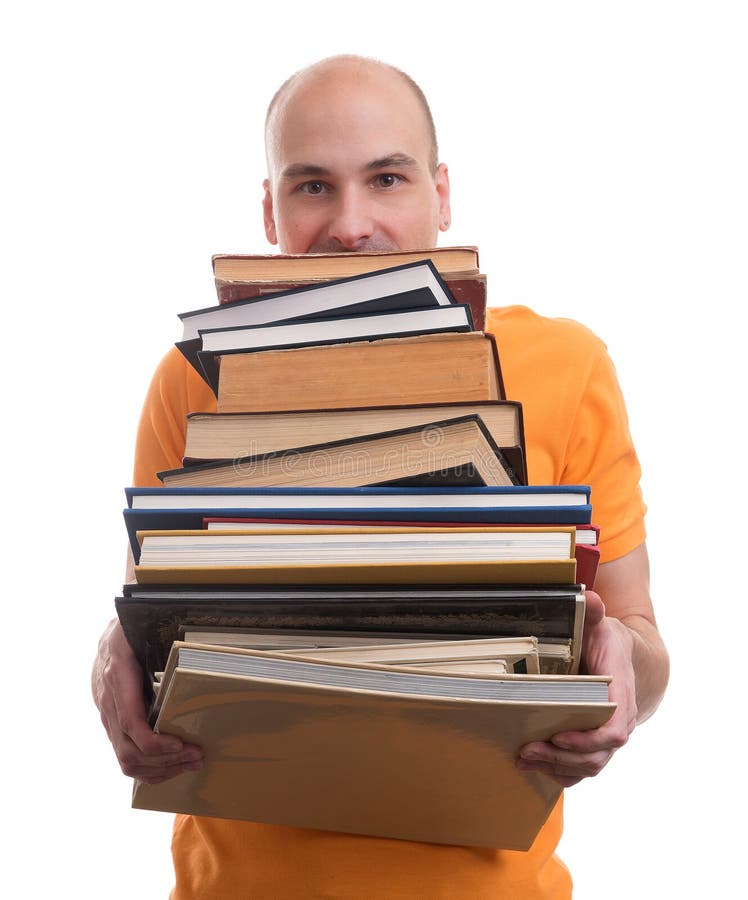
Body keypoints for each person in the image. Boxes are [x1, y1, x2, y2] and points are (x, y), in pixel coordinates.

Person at [92, 54, 669, 898]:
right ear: (270, 209)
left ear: (442, 194)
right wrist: (114, 660)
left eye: (387, 178)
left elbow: (641, 635)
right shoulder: (194, 379)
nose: (351, 224)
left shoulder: (568, 364)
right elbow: (158, 616)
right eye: (313, 186)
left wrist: (623, 670)